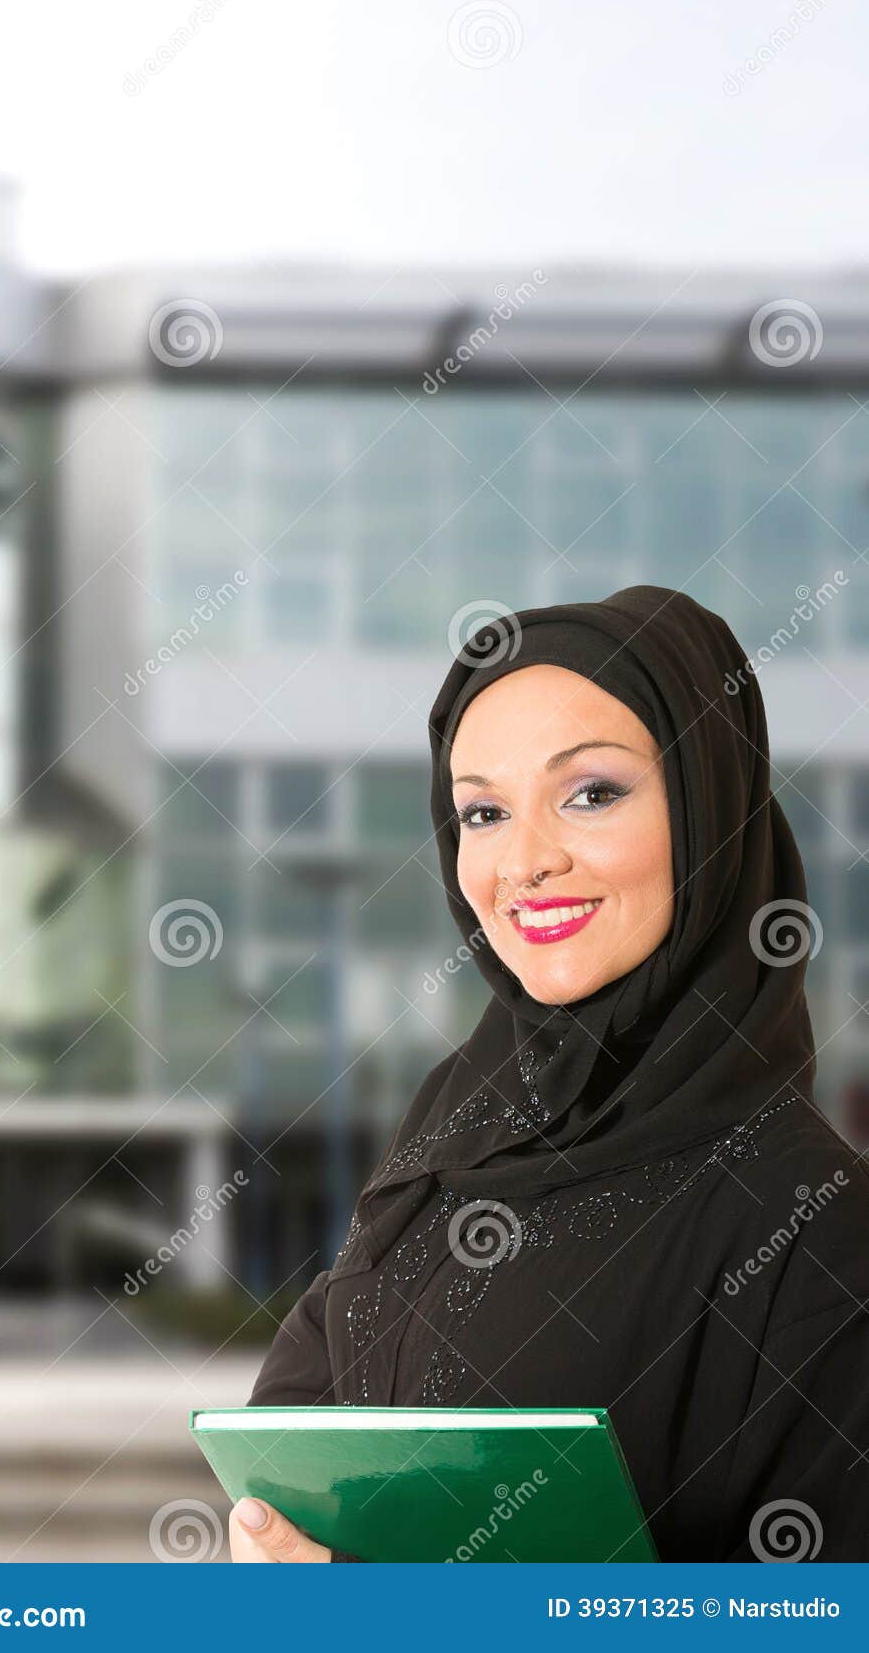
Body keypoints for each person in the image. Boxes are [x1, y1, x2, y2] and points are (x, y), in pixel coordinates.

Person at [228, 584, 869, 1563]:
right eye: (481, 812)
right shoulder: (459, 1115)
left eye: (591, 793)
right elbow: (312, 1407)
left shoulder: (809, 1218)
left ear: (708, 808)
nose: (523, 860)